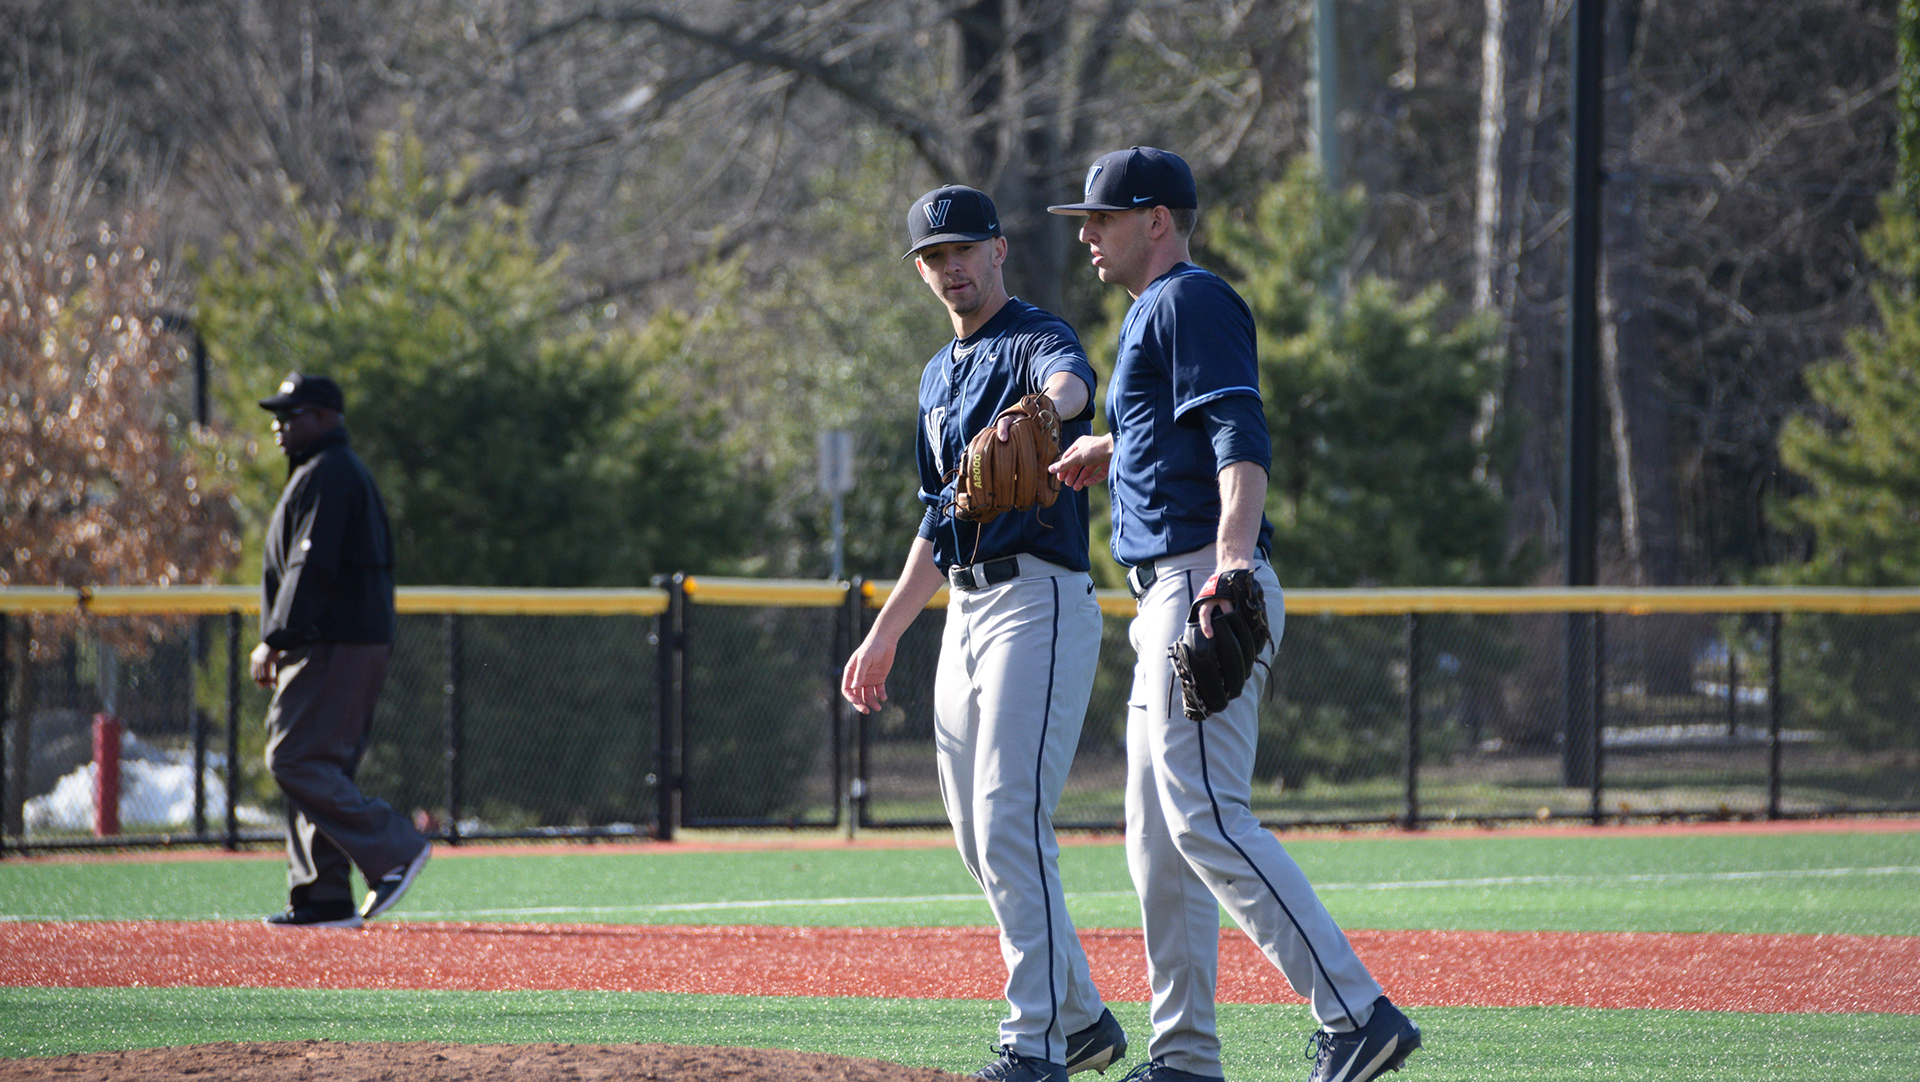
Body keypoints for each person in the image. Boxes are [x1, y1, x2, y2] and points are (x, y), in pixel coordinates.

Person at [1047, 149, 1422, 1082]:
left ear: (1157, 221)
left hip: (1196, 577)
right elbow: (1179, 428)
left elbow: (1238, 434)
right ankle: (1185, 1058)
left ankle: (1357, 1013)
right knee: (1156, 836)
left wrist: (1231, 563)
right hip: (1160, 591)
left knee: (1207, 815)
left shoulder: (1190, 299)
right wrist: (1111, 446)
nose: (1087, 235)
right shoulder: (1155, 310)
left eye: (1101, 218)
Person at [841, 186, 1128, 1082]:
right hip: (964, 610)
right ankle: (1081, 1020)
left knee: (1009, 820)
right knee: (976, 836)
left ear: (999, 250)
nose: (950, 266)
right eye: (933, 256)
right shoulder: (936, 376)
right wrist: (885, 633)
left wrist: (1043, 410)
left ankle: (1032, 1044)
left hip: (1037, 600)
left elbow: (1073, 385)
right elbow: (939, 520)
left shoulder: (1034, 336)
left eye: (964, 248)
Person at [253, 373, 430, 930]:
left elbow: (312, 566)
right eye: (277, 417)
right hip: (337, 641)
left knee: (294, 758)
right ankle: (323, 895)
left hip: (335, 642)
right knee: (317, 762)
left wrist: (276, 637)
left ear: (327, 417)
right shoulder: (322, 470)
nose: (280, 426)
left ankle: (395, 848)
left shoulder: (330, 472)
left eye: (292, 415)